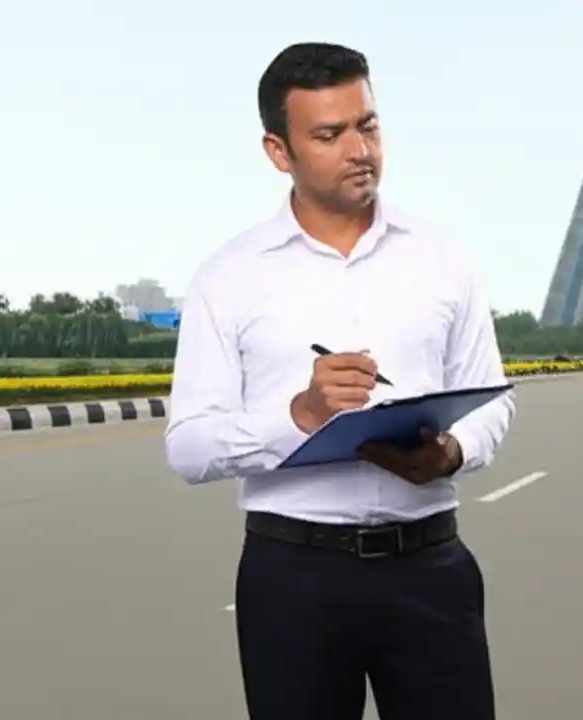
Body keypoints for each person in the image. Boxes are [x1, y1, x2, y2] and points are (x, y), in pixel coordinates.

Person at [163, 41, 515, 720]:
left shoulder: (443, 259)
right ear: (278, 151)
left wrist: (449, 453)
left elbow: (491, 402)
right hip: (294, 576)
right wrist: (300, 413)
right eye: (329, 134)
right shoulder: (229, 276)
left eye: (368, 126)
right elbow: (190, 447)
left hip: (431, 569)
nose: (359, 150)